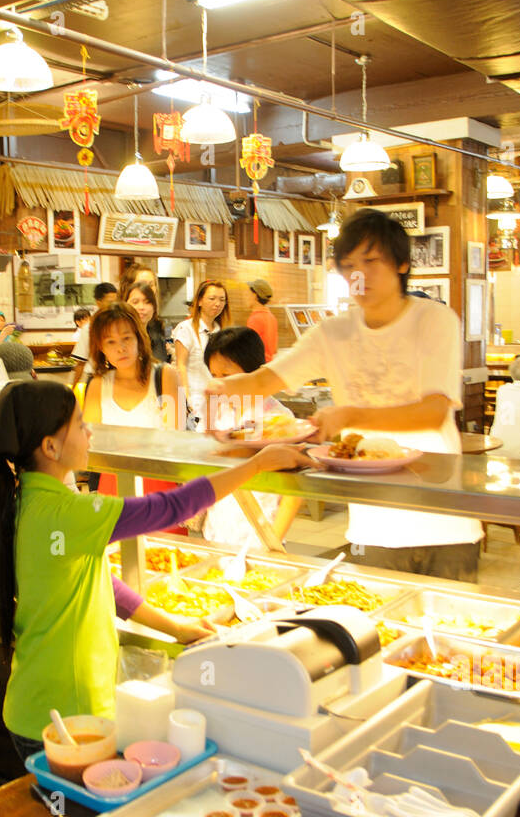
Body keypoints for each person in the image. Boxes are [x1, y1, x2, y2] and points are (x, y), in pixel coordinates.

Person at [0, 381, 309, 761]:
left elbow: (101, 582)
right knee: (72, 816)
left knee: (61, 814)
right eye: (80, 423)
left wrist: (176, 628)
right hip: (64, 719)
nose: (90, 432)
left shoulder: (29, 501)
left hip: (37, 706)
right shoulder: (66, 514)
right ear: (50, 447)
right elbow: (170, 507)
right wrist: (256, 464)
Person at [208, 208, 485, 583]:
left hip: (443, 520)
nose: (359, 274)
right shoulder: (333, 333)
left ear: (402, 263)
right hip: (372, 525)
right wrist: (222, 386)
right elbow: (266, 379)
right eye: (349, 265)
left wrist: (348, 416)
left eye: (371, 261)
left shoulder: (434, 320)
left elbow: (433, 412)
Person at [201, 327, 303, 549]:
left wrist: (272, 544)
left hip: (260, 535)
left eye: (226, 376)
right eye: (214, 375)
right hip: (216, 529)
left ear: (253, 372)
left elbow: (294, 493)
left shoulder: (278, 418)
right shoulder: (216, 413)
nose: (218, 384)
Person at [83, 303, 178, 431]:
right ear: (101, 347)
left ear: (138, 338)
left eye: (126, 338)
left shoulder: (167, 375)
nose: (120, 349)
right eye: (110, 342)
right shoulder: (97, 385)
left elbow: (176, 437)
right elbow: (91, 441)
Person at [174, 280, 231, 431]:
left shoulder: (223, 331)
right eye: (212, 299)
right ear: (199, 301)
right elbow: (180, 365)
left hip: (219, 405)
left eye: (222, 300)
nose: (217, 304)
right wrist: (186, 400)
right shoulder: (186, 329)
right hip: (194, 403)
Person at [126, 282, 169, 364]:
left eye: (147, 302)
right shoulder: (121, 336)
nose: (141, 307)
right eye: (135, 302)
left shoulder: (157, 333)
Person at [245, 279, 279, 362]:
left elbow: (248, 349)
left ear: (255, 295)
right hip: (268, 365)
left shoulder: (255, 319)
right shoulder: (272, 317)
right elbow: (274, 349)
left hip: (256, 365)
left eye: (247, 294)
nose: (245, 297)